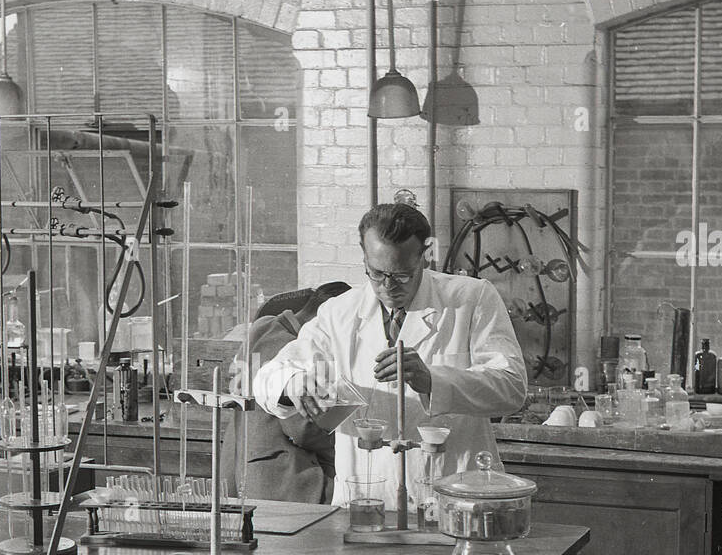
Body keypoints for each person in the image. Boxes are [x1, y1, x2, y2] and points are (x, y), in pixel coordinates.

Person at [253, 200, 528, 507]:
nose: (387, 287)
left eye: (402, 276)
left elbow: (512, 386)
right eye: (376, 273)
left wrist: (431, 380)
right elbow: (268, 377)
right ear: (364, 258)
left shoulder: (471, 299)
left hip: (452, 495)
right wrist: (292, 384)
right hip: (365, 499)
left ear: (423, 257)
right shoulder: (338, 313)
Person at [221, 282, 350, 504]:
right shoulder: (292, 352)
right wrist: (346, 440)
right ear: (323, 318)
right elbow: (303, 428)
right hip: (285, 480)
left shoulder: (261, 327)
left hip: (241, 468)